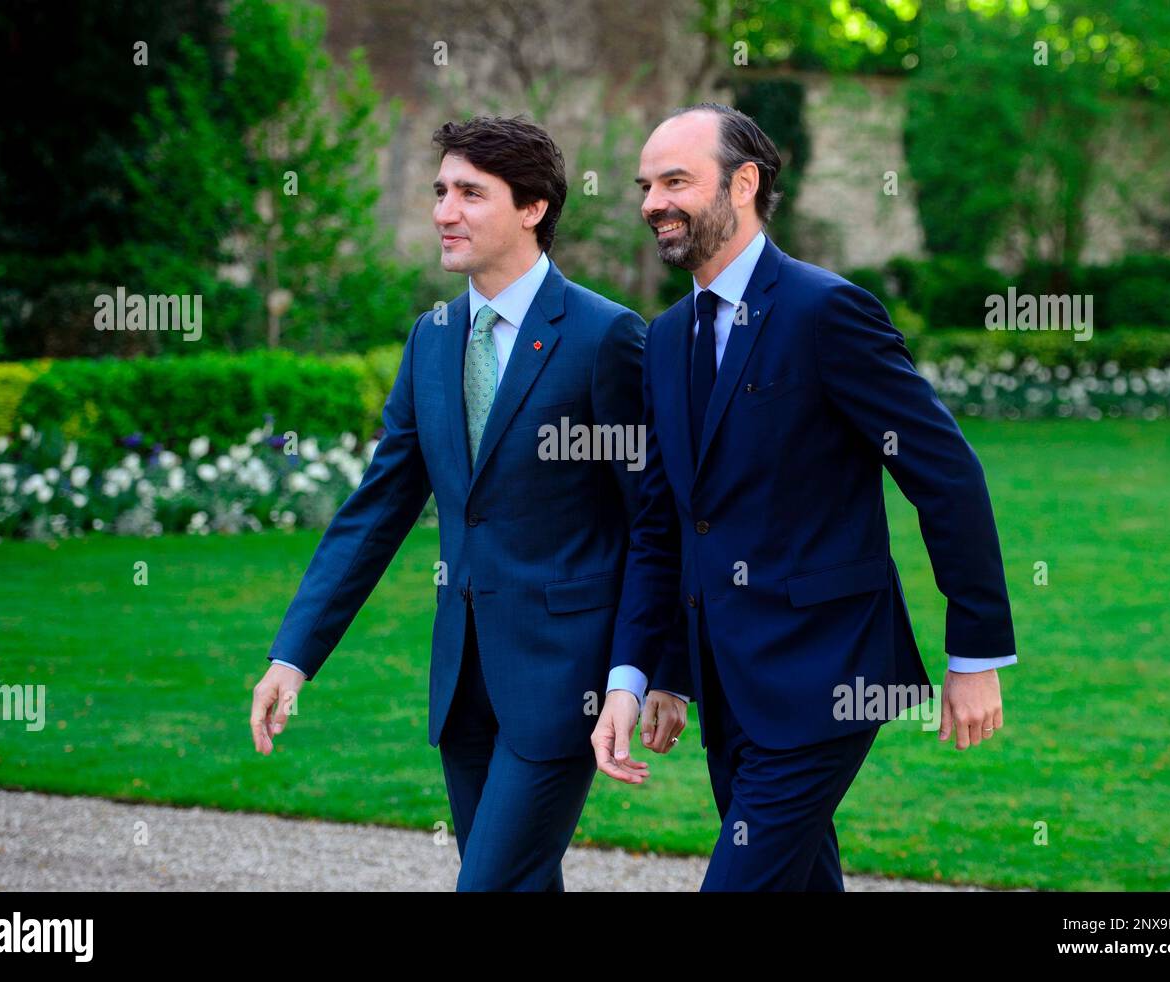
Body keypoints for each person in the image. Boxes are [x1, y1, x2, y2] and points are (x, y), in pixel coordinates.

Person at [250, 115, 689, 891]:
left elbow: (657, 518)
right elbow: (377, 509)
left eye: (470, 194)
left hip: (568, 680)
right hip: (462, 686)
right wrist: (294, 655)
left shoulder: (604, 337)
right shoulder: (432, 337)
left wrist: (663, 671)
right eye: (441, 192)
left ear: (532, 209)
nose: (444, 212)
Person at [592, 103, 1018, 891]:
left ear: (743, 184)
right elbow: (666, 524)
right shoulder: (666, 338)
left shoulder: (828, 312)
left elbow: (944, 472)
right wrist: (645, 674)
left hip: (831, 677)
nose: (652, 202)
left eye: (675, 181)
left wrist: (975, 653)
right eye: (645, 185)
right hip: (729, 686)